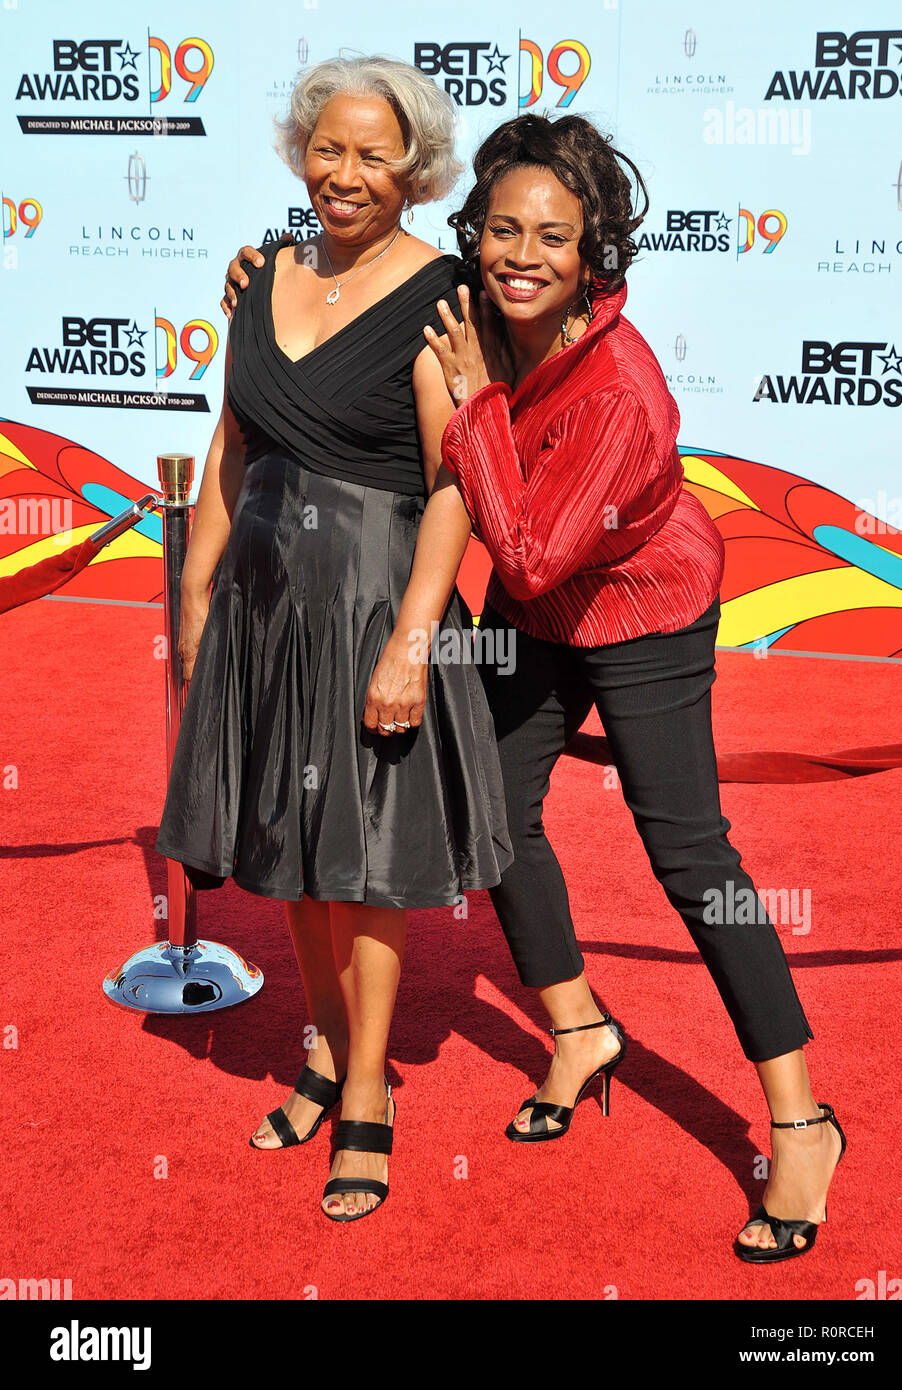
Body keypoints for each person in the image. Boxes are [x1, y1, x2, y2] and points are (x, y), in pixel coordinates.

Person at [381, 111, 847, 1263]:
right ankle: (581, 1026)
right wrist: (269, 270)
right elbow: (368, 283)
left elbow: (534, 548)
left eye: (552, 235)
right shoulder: (473, 302)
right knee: (489, 812)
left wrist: (482, 400)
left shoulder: (621, 387)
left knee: (693, 857)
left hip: (643, 606)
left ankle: (802, 1119)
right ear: (474, 229)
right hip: (539, 616)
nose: (520, 256)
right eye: (501, 230)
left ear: (596, 252)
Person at [156, 55, 512, 1224]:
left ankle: (368, 1089)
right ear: (299, 152)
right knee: (291, 855)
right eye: (329, 149)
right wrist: (198, 593)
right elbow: (236, 445)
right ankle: (320, 1049)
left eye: (374, 155)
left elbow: (454, 482)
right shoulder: (258, 278)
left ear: (415, 170)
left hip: (369, 606)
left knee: (361, 869)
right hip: (264, 607)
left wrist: (414, 639)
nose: (346, 174)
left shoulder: (442, 294)